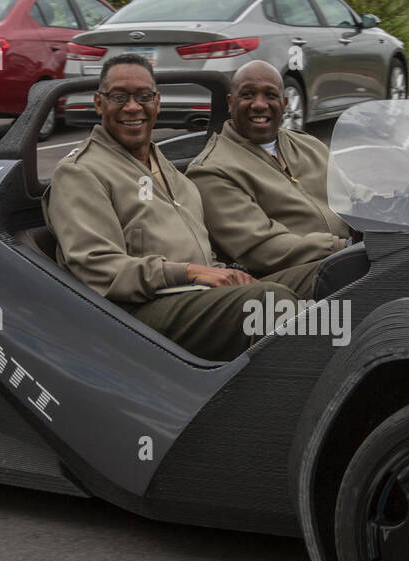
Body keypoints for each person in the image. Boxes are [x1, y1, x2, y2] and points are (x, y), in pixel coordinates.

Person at [42, 54, 307, 361]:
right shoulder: (80, 172)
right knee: (270, 304)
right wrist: (190, 273)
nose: (132, 107)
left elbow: (200, 251)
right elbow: (99, 270)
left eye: (143, 96)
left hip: (197, 293)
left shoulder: (170, 172)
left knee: (326, 274)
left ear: (157, 102)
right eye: (119, 97)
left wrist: (225, 275)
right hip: (138, 313)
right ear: (99, 103)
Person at [187, 60, 352, 295]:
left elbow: (353, 195)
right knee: (356, 271)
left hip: (343, 255)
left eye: (270, 95)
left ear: (284, 104)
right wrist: (340, 247)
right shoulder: (212, 170)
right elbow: (262, 246)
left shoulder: (309, 145)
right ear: (230, 102)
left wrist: (403, 207)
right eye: (247, 95)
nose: (259, 105)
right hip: (277, 278)